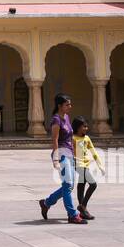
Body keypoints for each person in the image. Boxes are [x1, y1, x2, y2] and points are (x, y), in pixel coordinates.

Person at [38, 93, 85, 224]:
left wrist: (75, 153)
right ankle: (72, 214)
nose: (70, 106)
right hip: (61, 154)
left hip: (69, 153)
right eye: (67, 104)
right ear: (59, 106)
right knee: (68, 185)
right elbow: (55, 140)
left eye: (70, 104)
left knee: (68, 186)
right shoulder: (56, 120)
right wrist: (56, 159)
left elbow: (70, 137)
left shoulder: (66, 117)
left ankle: (46, 203)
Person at [73, 117, 103, 221]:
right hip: (78, 164)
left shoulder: (87, 138)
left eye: (86, 126)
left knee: (81, 185)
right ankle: (83, 206)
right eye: (84, 126)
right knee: (93, 184)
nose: (86, 128)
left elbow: (93, 151)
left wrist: (100, 164)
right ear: (77, 127)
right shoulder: (73, 138)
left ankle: (83, 211)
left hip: (86, 165)